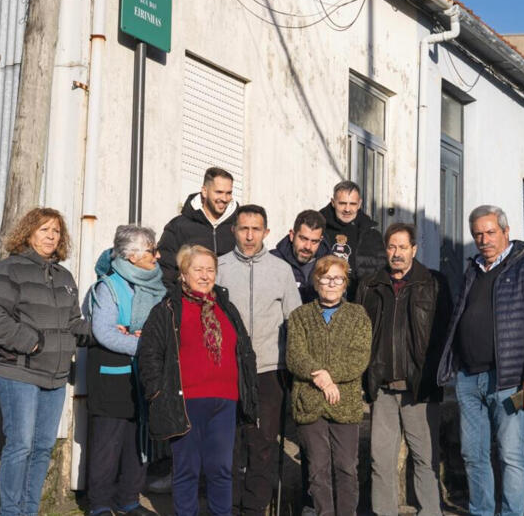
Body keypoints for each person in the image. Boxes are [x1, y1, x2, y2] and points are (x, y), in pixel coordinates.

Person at [435, 205, 524, 516]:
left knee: (511, 454)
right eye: (478, 234)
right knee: (473, 454)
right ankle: (482, 512)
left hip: (509, 380)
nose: (484, 239)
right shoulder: (473, 270)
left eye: (490, 232)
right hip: (468, 378)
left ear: (506, 231)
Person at [0, 207, 91, 516]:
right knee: (21, 446)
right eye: (44, 229)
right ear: (28, 233)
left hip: (55, 376)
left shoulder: (64, 277)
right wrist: (30, 341)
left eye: (56, 231)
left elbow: (73, 323)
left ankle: (29, 511)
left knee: (43, 447)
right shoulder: (10, 269)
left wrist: (101, 332)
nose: (51, 236)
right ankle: (11, 512)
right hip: (19, 372)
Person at [136, 245, 258, 516]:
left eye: (210, 270)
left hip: (225, 401)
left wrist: (248, 390)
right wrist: (157, 393)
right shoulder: (168, 309)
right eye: (198, 269)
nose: (205, 275)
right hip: (186, 401)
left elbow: (244, 349)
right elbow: (150, 354)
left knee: (221, 469)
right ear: (183, 274)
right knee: (187, 469)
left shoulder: (226, 307)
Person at [216, 205, 302, 515]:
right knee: (228, 443)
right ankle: (227, 505)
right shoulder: (219, 267)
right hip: (228, 369)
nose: (249, 236)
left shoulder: (281, 270)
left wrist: (293, 367)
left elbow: (295, 320)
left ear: (266, 232)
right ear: (233, 231)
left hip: (268, 369)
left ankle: (254, 507)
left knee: (262, 443)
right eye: (244, 229)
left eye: (256, 229)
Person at [359, 223, 451, 516]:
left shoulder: (434, 283)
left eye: (402, 247)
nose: (396, 253)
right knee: (381, 461)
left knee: (425, 459)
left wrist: (436, 375)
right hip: (382, 387)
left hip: (420, 387)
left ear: (414, 249)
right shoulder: (369, 285)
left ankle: (430, 512)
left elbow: (445, 333)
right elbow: (360, 333)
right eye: (391, 247)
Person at [84, 225, 168, 516]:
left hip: (144, 376)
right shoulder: (109, 287)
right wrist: (145, 344)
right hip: (113, 378)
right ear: (132, 256)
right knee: (107, 445)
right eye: (151, 250)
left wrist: (148, 340)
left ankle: (128, 500)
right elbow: (104, 332)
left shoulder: (158, 286)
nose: (157, 256)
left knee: (139, 441)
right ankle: (99, 505)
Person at [286, 256, 372, 516]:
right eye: (326, 278)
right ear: (316, 282)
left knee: (346, 467)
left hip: (344, 402)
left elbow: (359, 357)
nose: (332, 283)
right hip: (310, 401)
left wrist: (328, 374)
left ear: (345, 284)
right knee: (317, 468)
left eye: (338, 278)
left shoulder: (358, 316)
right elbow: (295, 355)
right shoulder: (300, 316)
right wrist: (321, 379)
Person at [157, 167, 239, 283]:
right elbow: (165, 268)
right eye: (219, 192)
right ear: (204, 191)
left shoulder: (240, 226)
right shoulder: (178, 226)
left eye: (228, 193)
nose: (224, 199)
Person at [319, 180, 386, 299]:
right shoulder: (319, 229)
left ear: (359, 204)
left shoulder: (372, 236)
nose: (347, 209)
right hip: (323, 299)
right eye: (342, 203)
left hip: (360, 301)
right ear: (333, 202)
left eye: (353, 204)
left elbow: (382, 273)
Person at [270, 209, 330, 304]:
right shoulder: (272, 261)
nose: (308, 246)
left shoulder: (331, 266)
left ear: (321, 239)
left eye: (314, 241)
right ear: (292, 235)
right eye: (303, 239)